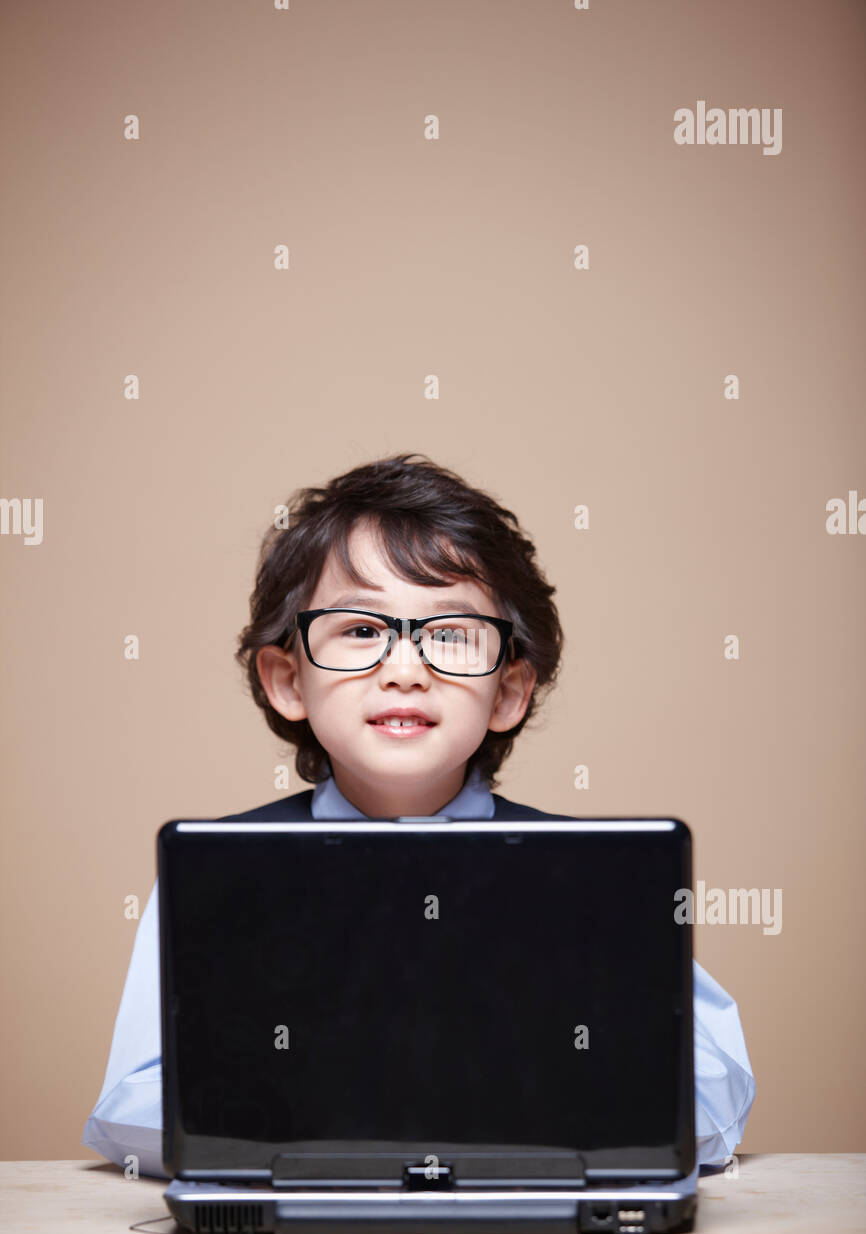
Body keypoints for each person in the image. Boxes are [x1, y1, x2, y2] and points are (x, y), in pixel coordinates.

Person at [83, 452, 755, 1179]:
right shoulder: (213, 874)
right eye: (362, 630)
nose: (405, 668)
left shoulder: (593, 875)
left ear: (508, 692)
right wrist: (338, 1116)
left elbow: (715, 1106)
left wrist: (525, 1094)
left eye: (450, 634)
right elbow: (129, 1107)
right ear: (287, 680)